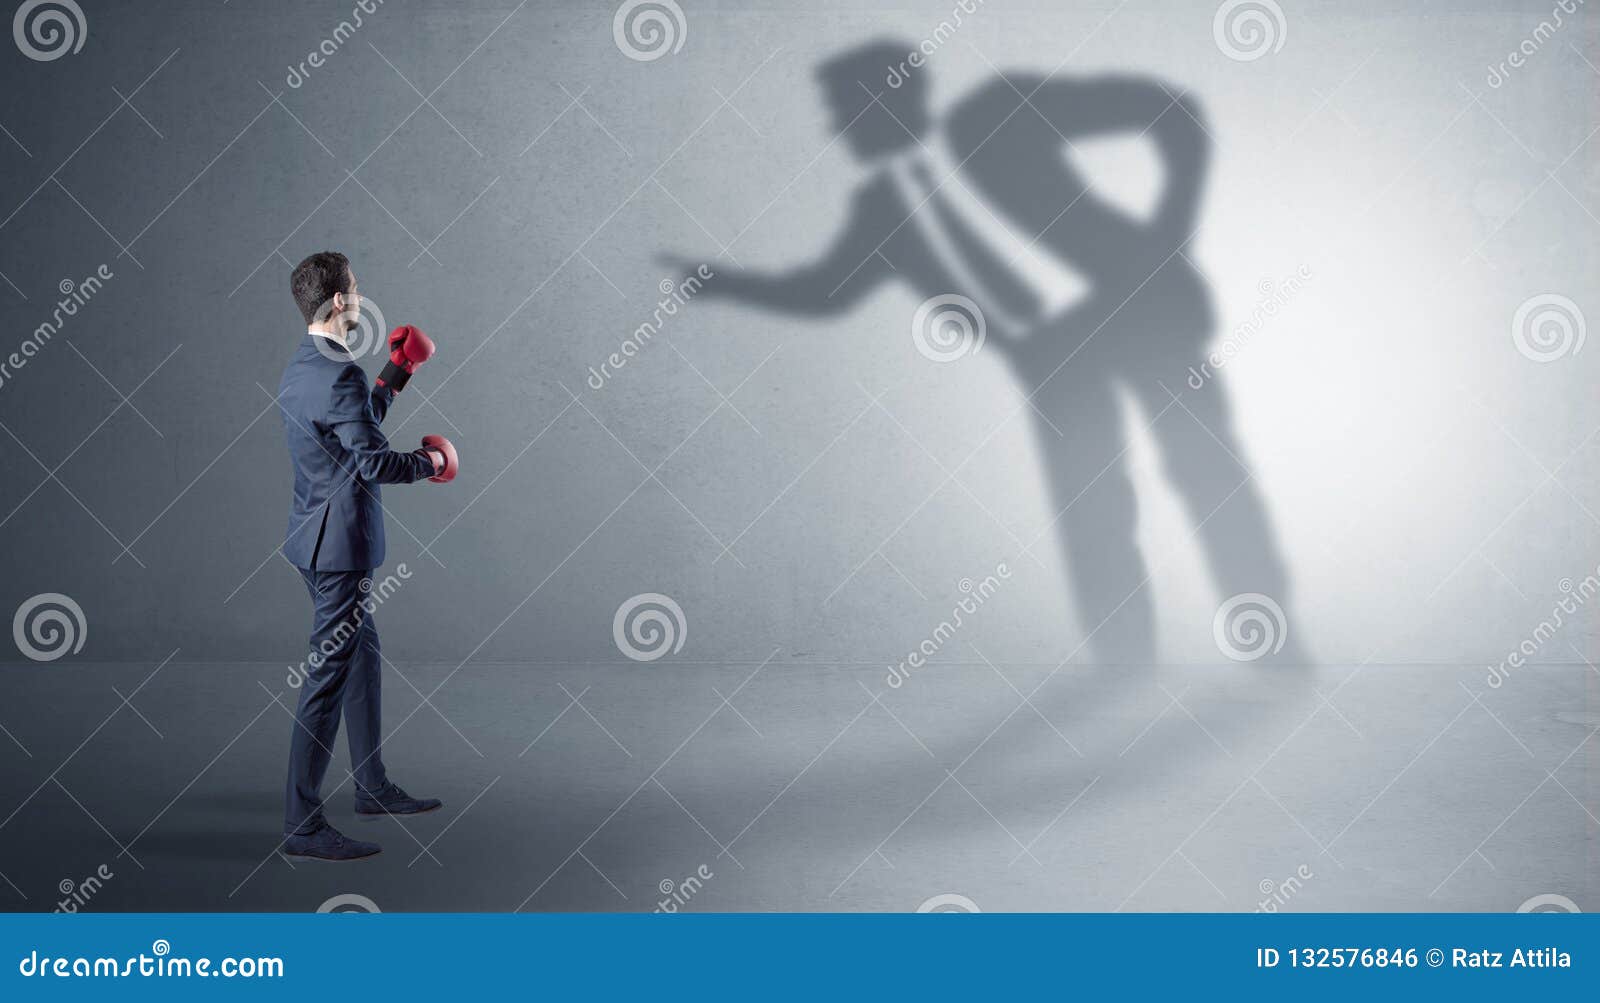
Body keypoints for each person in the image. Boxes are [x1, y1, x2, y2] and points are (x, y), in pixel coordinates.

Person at [663, 41, 1304, 664]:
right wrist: (721, 283)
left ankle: (1270, 641)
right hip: (1056, 364)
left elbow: (1172, 111)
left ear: (892, 96)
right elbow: (825, 293)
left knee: (1207, 474)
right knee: (1092, 509)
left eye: (845, 106)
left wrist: (1167, 243)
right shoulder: (881, 210)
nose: (836, 127)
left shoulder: (998, 113)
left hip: (1147, 321)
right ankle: (1124, 668)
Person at [276, 251, 459, 861]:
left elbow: (356, 429)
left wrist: (397, 372)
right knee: (326, 679)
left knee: (362, 655)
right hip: (340, 552)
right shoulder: (338, 374)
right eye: (355, 291)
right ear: (337, 304)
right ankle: (302, 824)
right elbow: (375, 460)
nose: (360, 299)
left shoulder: (305, 370)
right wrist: (432, 464)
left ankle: (373, 787)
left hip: (311, 542)